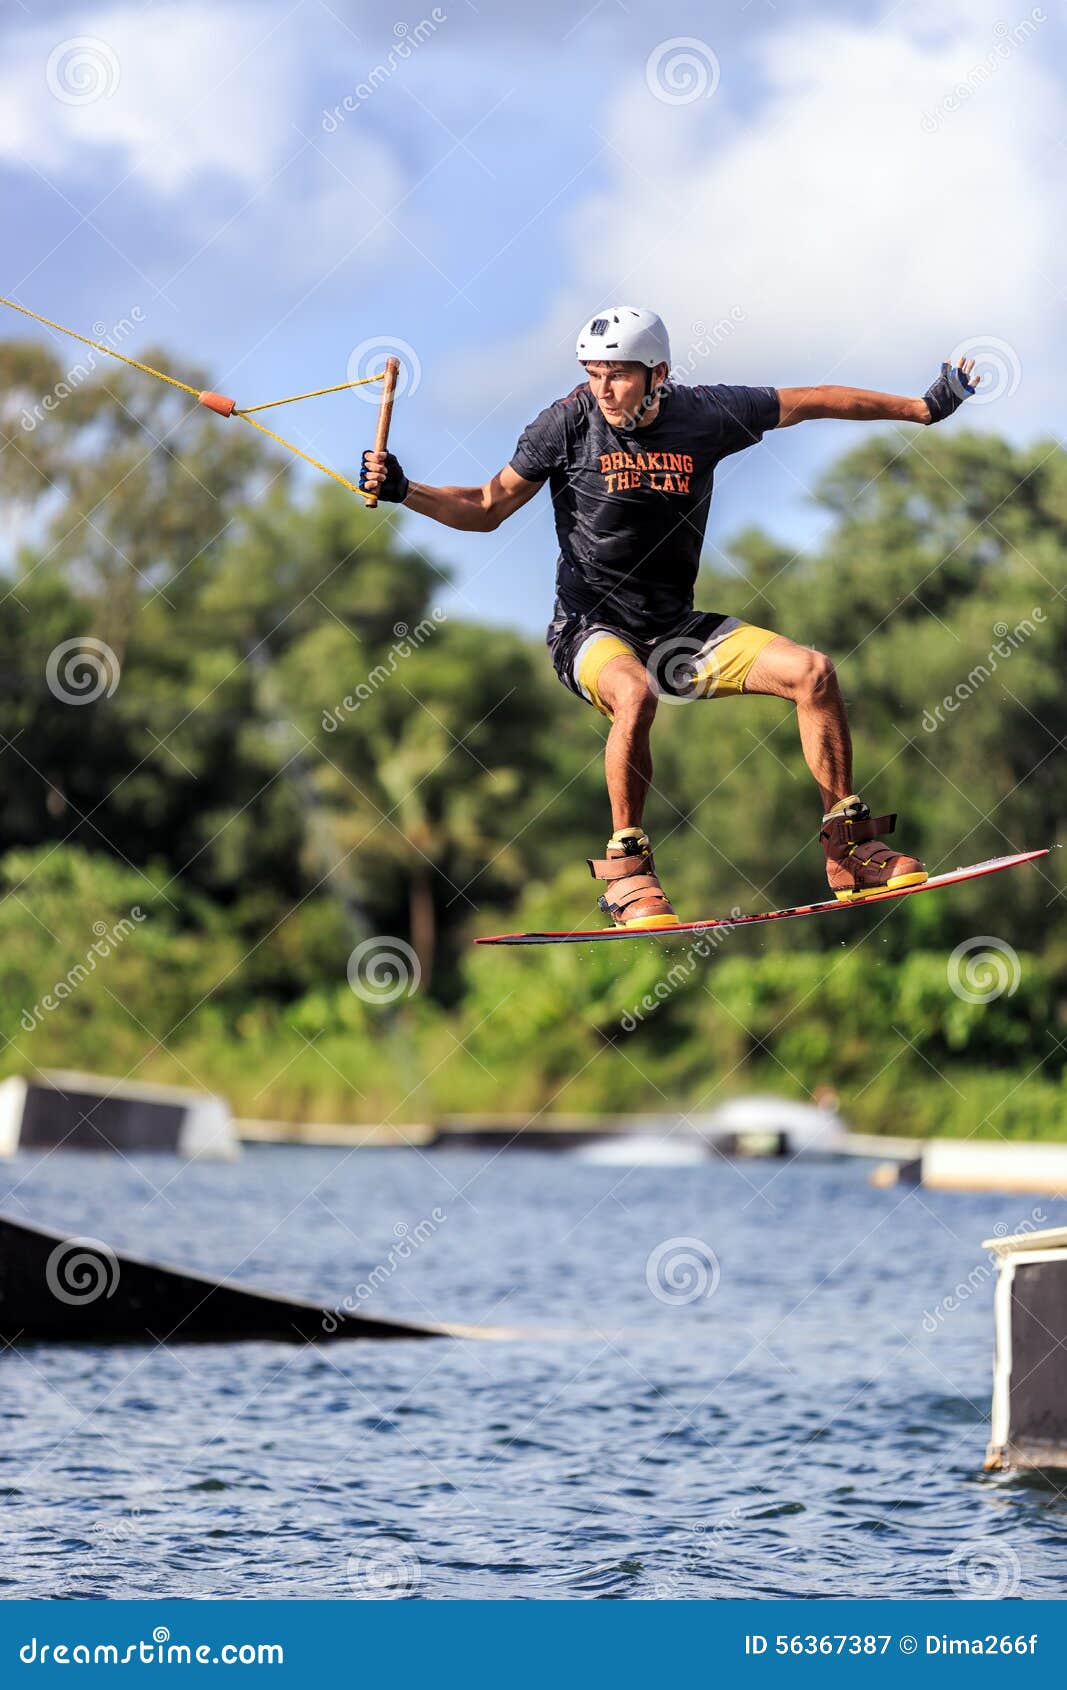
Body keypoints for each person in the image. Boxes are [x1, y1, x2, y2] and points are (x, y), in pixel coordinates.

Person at [360, 306, 979, 929]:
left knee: (812, 673)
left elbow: (817, 399)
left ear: (658, 374)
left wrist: (922, 410)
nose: (603, 389)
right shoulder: (566, 423)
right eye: (593, 373)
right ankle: (628, 872)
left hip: (675, 633)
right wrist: (405, 490)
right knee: (633, 693)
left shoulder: (704, 414)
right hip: (588, 629)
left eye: (618, 375)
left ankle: (849, 851)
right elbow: (487, 506)